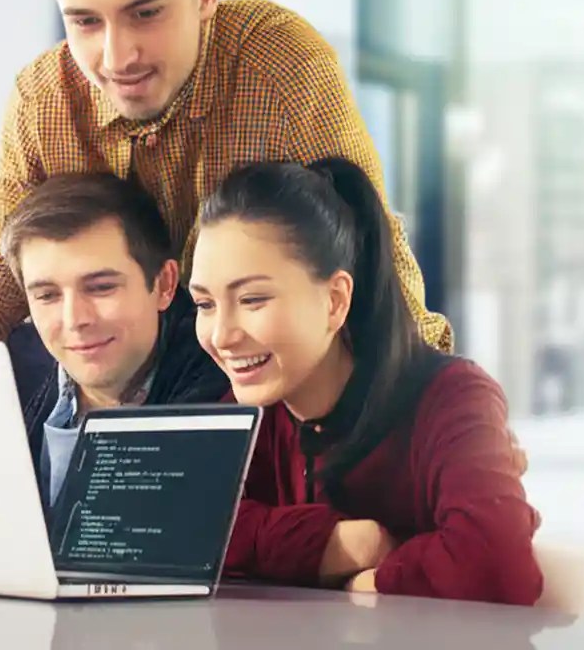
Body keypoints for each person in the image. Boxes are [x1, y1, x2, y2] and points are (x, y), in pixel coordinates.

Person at [0, 0, 452, 355]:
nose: (117, 57)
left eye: (146, 13)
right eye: (85, 21)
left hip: (266, 391)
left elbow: (371, 248)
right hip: (128, 392)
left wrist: (444, 411)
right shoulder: (42, 101)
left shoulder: (279, 67)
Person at [186, 157, 542, 605]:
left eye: (252, 299)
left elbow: (498, 564)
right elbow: (180, 528)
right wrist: (345, 543)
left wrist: (371, 583)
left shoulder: (452, 398)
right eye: (204, 305)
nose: (221, 336)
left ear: (335, 300)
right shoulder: (247, 412)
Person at [0, 172, 228, 509]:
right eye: (47, 295)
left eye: (102, 287)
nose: (75, 319)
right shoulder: (7, 378)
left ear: (164, 285)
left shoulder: (223, 389)